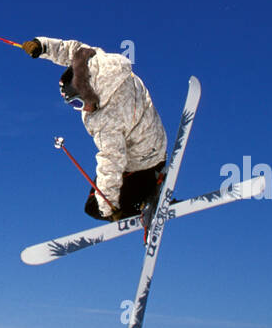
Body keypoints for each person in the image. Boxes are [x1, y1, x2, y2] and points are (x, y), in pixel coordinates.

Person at [22, 36, 167, 222]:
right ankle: (151, 181)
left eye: (77, 102)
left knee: (93, 207)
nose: (81, 108)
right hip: (156, 143)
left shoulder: (107, 119)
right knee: (101, 191)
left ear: (87, 92)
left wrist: (109, 209)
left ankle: (144, 205)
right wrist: (42, 46)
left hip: (141, 165)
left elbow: (111, 161)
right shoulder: (101, 62)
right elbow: (72, 51)